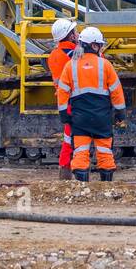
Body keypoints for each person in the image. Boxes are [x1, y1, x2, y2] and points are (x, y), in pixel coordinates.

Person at [55, 26, 127, 182]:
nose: (101, 47)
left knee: (80, 152)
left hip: (80, 119)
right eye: (99, 45)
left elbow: (62, 92)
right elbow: (116, 91)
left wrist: (63, 115)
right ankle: (106, 185)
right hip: (102, 118)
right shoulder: (105, 64)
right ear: (94, 45)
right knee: (105, 152)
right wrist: (121, 113)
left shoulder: (71, 65)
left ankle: (82, 187)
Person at [47, 18, 79, 180]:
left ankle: (65, 171)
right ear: (70, 36)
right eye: (75, 31)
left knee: (69, 138)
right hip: (78, 103)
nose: (78, 33)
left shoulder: (53, 55)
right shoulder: (76, 55)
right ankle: (77, 172)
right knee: (82, 139)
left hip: (64, 102)